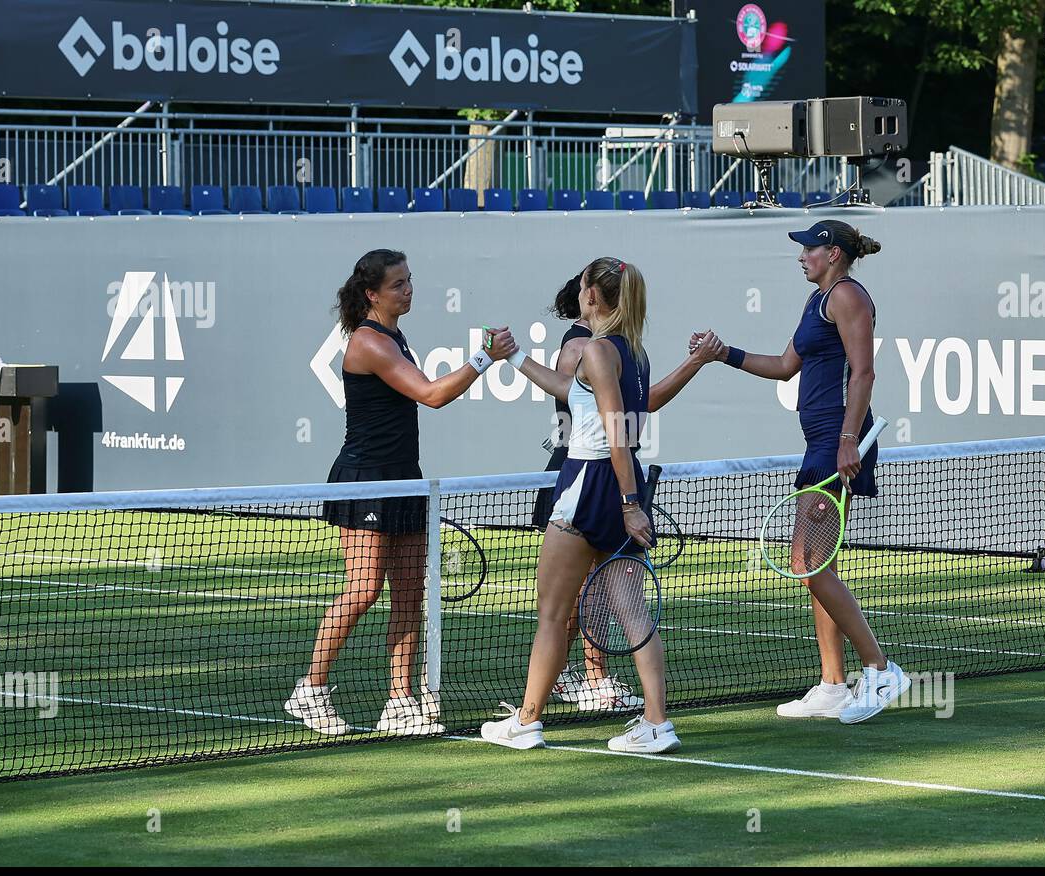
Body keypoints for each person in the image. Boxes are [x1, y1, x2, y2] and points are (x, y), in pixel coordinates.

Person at [479, 257, 725, 751]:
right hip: (622, 479)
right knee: (634, 611)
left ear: (590, 295)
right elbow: (575, 395)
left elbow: (615, 429)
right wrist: (511, 355)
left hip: (591, 482)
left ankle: (527, 722)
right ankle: (657, 723)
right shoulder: (631, 350)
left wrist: (630, 503)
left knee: (551, 613)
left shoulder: (595, 350)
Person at [285, 248, 514, 736]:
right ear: (372, 294)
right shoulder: (368, 342)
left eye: (410, 281)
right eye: (398, 285)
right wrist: (484, 357)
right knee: (364, 589)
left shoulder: (394, 334)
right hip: (366, 480)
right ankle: (310, 690)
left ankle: (400, 700)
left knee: (410, 593)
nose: (409, 290)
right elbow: (432, 395)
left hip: (405, 478)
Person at [700, 220, 909, 724]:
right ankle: (833, 683)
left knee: (806, 564)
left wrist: (846, 441)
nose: (801, 257)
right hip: (822, 443)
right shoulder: (817, 300)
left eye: (809, 250)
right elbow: (783, 366)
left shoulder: (848, 297)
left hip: (837, 445)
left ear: (833, 254)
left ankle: (881, 669)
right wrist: (720, 353)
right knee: (818, 567)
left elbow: (864, 372)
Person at [533, 275, 644, 714]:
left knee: (602, 598)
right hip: (584, 471)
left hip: (613, 475)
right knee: (574, 598)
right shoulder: (583, 346)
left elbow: (636, 411)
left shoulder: (625, 349)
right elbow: (576, 405)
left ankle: (591, 684)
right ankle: (583, 681)